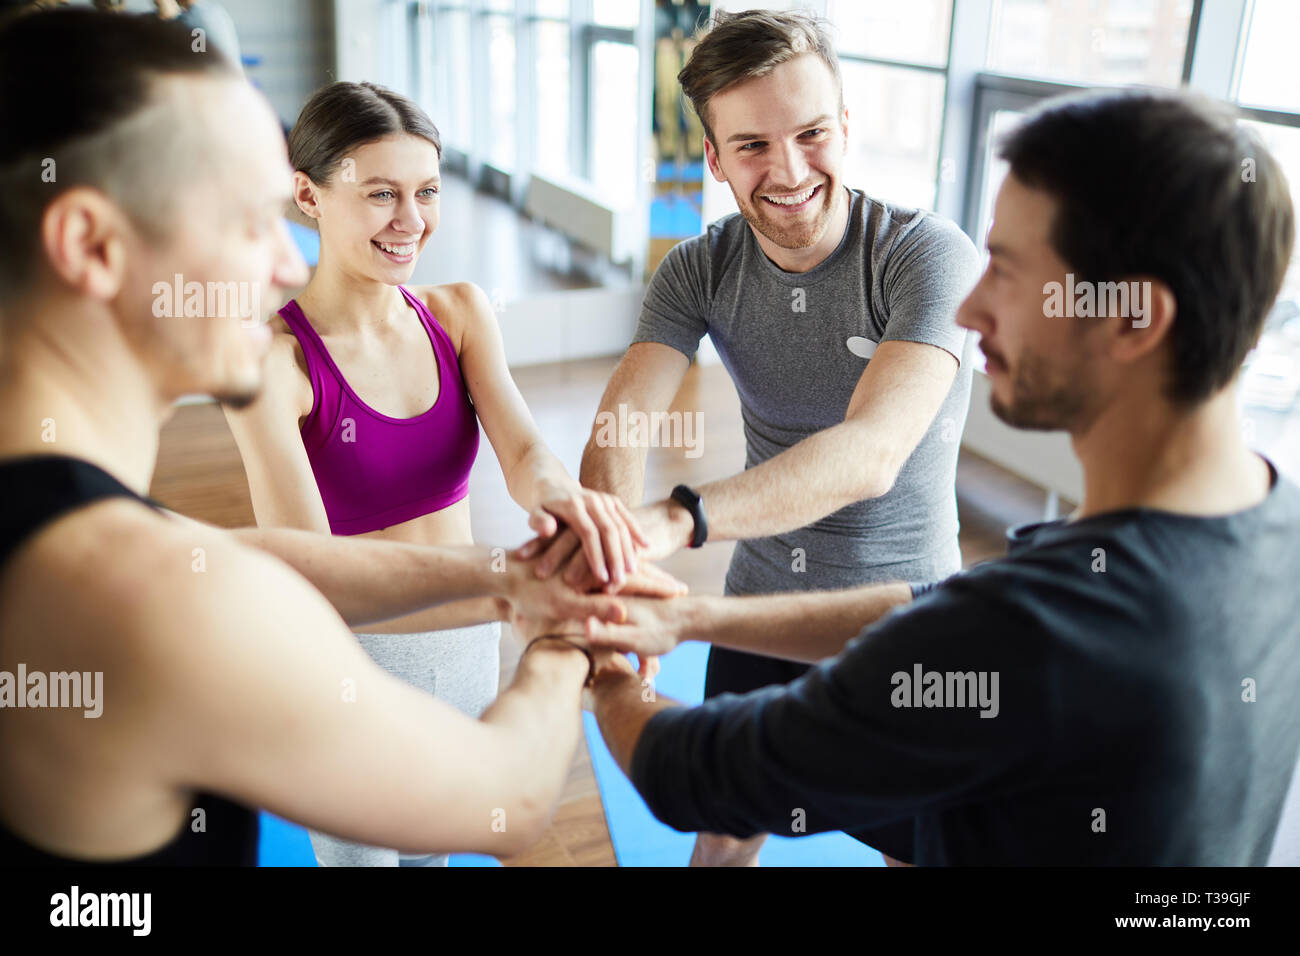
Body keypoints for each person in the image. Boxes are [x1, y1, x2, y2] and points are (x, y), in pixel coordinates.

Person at [0, 8, 677, 867]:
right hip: (370, 658)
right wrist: (563, 624)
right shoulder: (150, 595)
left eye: (425, 191)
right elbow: (508, 793)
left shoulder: (120, 551)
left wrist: (520, 578)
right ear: (91, 244)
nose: (283, 262)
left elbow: (261, 560)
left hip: (457, 646)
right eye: (248, 219)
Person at [570, 86, 1300, 866]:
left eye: (1008, 273)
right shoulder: (1270, 524)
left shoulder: (1029, 633)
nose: (970, 307)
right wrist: (689, 623)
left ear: (1131, 316)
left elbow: (705, 775)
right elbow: (930, 611)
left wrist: (608, 665)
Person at [526, 8, 980, 867]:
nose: (789, 169)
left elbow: (871, 452)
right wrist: (609, 564)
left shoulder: (924, 257)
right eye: (753, 147)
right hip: (759, 613)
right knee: (726, 833)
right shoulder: (697, 269)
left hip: (903, 620)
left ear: (846, 126)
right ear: (714, 158)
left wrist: (674, 520)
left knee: (917, 851)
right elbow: (625, 425)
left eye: (811, 134)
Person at [222, 80, 652, 867]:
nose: (411, 221)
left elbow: (524, 453)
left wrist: (565, 507)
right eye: (381, 194)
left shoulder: (457, 313)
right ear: (308, 196)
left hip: (466, 642)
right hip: (348, 665)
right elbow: (317, 569)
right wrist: (513, 582)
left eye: (425, 192)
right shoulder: (274, 366)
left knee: (435, 858)